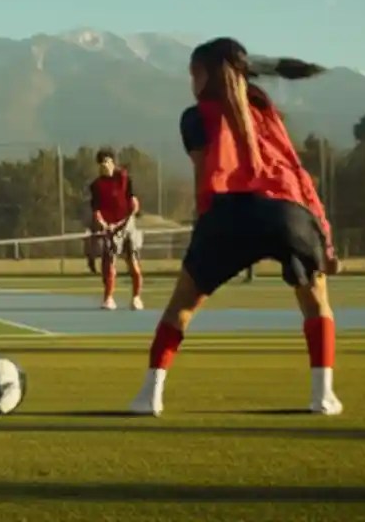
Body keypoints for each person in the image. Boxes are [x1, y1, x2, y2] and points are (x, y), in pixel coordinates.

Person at [130, 38, 341, 416]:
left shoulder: (195, 117)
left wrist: (206, 226)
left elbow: (204, 176)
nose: (191, 81)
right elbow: (297, 172)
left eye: (194, 72)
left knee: (181, 307)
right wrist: (324, 237)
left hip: (229, 213)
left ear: (209, 75)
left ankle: (150, 395)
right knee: (316, 304)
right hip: (289, 213)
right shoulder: (265, 110)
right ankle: (322, 396)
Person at [89, 149, 145, 310]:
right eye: (101, 163)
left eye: (106, 161)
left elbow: (134, 202)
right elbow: (96, 210)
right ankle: (109, 299)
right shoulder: (96, 185)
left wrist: (126, 219)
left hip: (128, 226)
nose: (104, 165)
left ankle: (136, 298)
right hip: (111, 229)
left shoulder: (124, 178)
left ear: (113, 162)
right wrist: (105, 224)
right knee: (109, 264)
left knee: (133, 263)